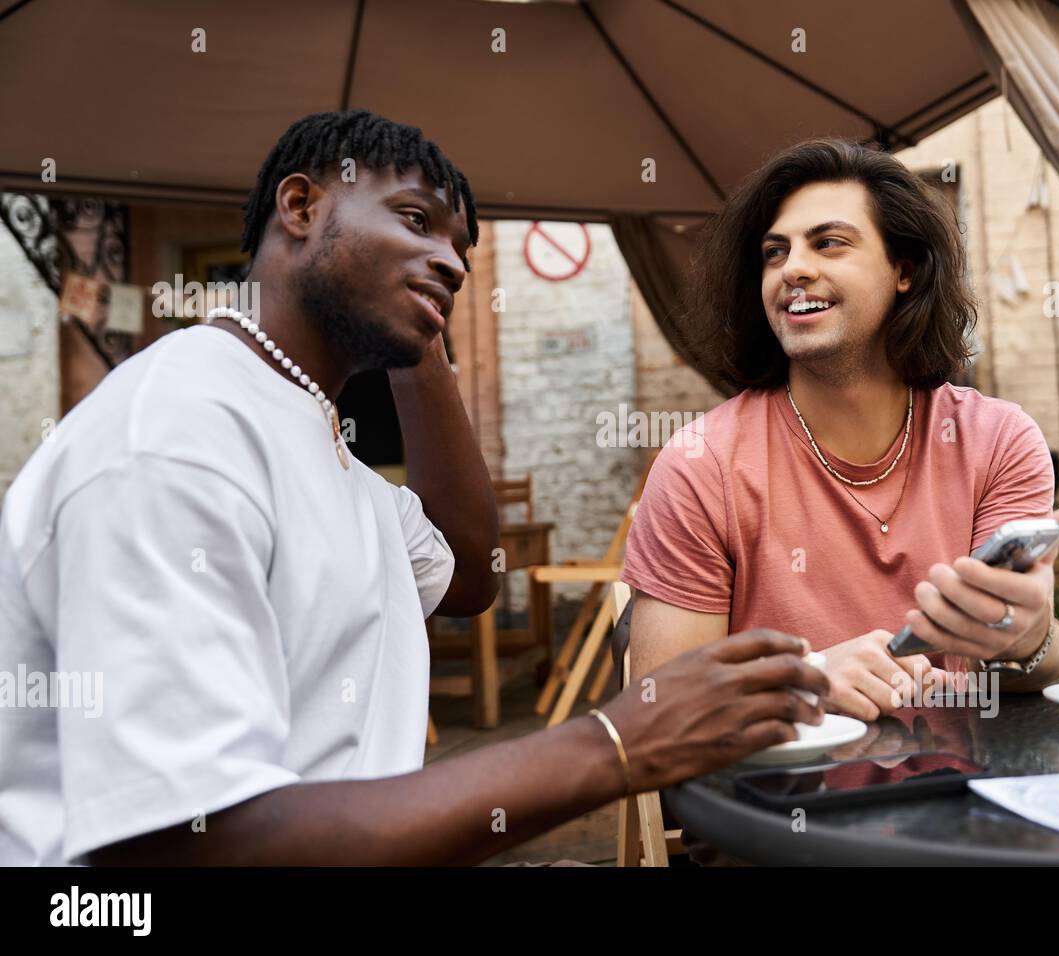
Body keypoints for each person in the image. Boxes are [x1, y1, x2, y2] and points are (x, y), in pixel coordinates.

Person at [0, 110, 827, 866]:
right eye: (416, 221)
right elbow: (192, 842)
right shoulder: (175, 437)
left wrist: (415, 329)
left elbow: (471, 572)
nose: (451, 263)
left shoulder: (314, 434)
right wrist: (615, 741)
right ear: (301, 205)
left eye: (463, 253)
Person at [624, 138, 1059, 719]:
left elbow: (1033, 665)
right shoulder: (703, 462)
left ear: (904, 272)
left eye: (829, 243)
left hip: (959, 793)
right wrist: (805, 680)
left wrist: (1027, 639)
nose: (793, 267)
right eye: (774, 252)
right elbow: (654, 707)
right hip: (781, 801)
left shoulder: (997, 441)